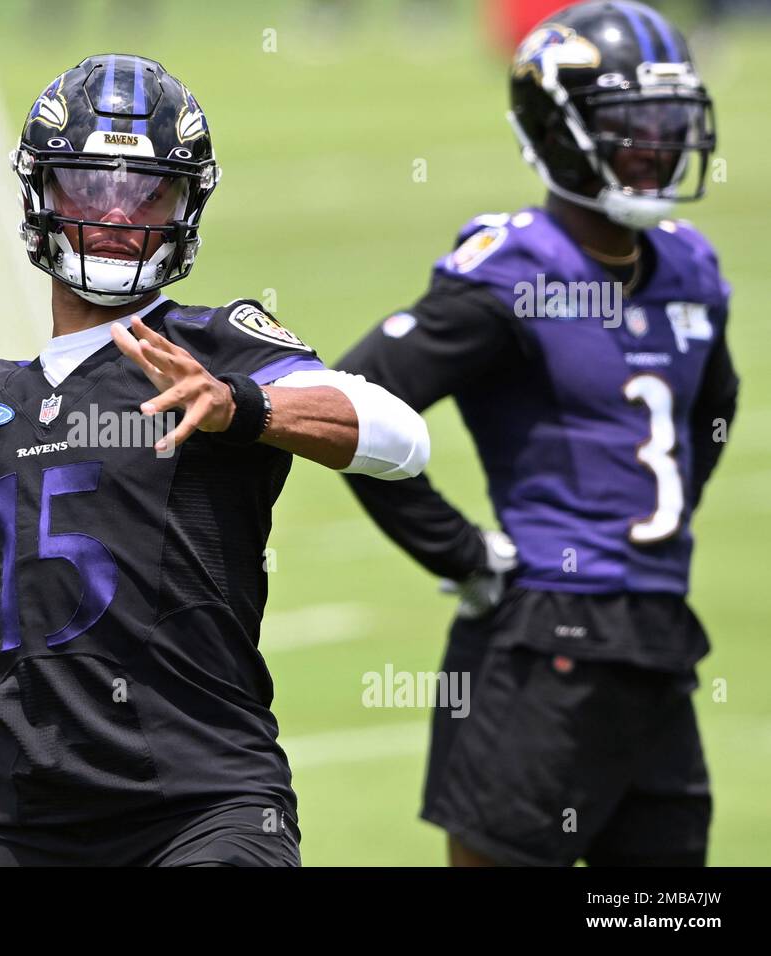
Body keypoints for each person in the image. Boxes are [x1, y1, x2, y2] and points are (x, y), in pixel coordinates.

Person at [0, 54, 430, 866]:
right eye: (88, 186)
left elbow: (398, 436)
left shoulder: (219, 345)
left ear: (188, 203)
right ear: (40, 196)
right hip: (25, 826)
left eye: (148, 190)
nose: (116, 214)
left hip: (206, 809)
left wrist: (244, 406)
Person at [335, 1, 736, 866]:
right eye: (632, 127)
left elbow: (714, 410)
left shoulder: (692, 267)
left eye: (670, 122)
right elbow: (357, 406)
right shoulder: (515, 271)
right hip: (541, 646)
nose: (658, 145)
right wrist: (462, 553)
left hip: (655, 640)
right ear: (559, 134)